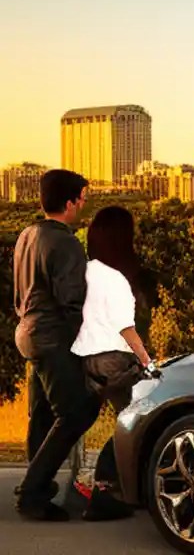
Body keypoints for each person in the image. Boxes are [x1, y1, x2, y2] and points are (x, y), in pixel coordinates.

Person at [12, 169, 99, 521]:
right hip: (52, 338)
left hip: (28, 334)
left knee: (45, 414)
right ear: (69, 202)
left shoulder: (27, 234)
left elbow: (19, 293)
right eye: (81, 197)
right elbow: (73, 302)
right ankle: (31, 493)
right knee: (78, 411)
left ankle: (39, 488)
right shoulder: (65, 242)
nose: (83, 203)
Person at [71, 206, 155, 521]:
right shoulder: (117, 276)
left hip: (88, 359)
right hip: (115, 360)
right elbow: (125, 326)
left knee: (128, 421)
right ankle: (105, 489)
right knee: (136, 421)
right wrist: (147, 361)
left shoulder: (86, 271)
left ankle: (117, 488)